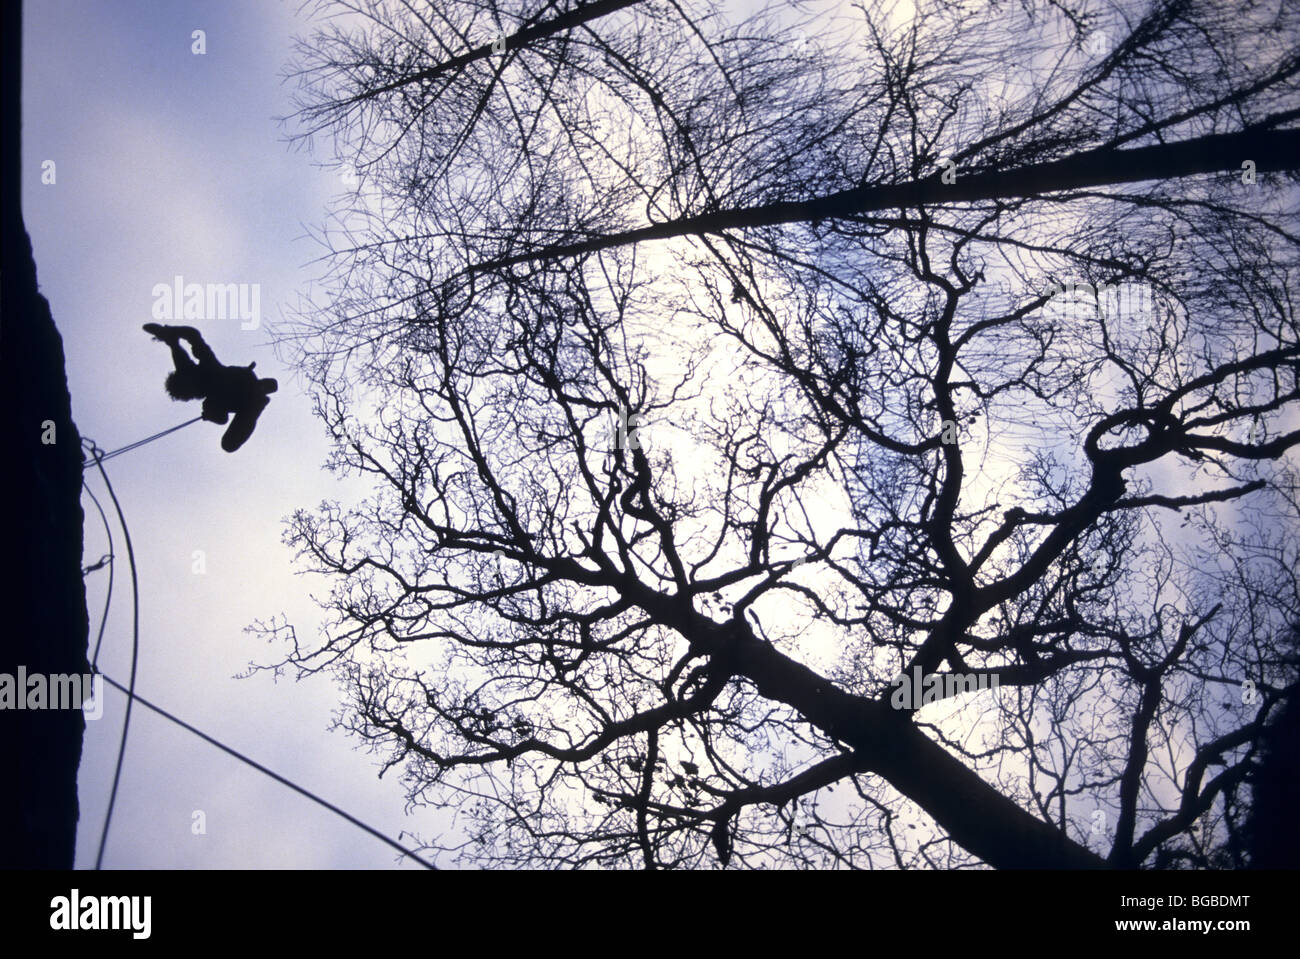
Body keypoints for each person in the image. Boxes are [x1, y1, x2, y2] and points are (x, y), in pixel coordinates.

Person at [142, 323, 277, 452]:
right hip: (241, 394)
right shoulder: (207, 377)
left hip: (241, 393)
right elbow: (193, 335)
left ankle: (260, 394)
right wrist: (171, 335)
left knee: (229, 444)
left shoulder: (207, 376)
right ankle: (259, 394)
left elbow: (192, 335)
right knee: (229, 444)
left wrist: (170, 334)